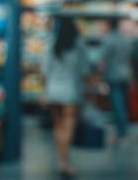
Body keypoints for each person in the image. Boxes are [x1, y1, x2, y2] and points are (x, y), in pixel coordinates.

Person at [44, 18, 89, 179]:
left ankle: (60, 160)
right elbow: (84, 69)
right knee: (68, 127)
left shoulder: (52, 43)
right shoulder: (78, 45)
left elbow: (45, 70)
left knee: (57, 125)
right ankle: (65, 161)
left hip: (53, 90)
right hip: (71, 90)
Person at [101, 19, 133, 143]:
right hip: (125, 75)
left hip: (113, 75)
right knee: (124, 104)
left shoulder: (109, 40)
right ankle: (125, 129)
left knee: (117, 104)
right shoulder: (125, 39)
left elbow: (103, 58)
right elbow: (130, 57)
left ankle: (121, 133)